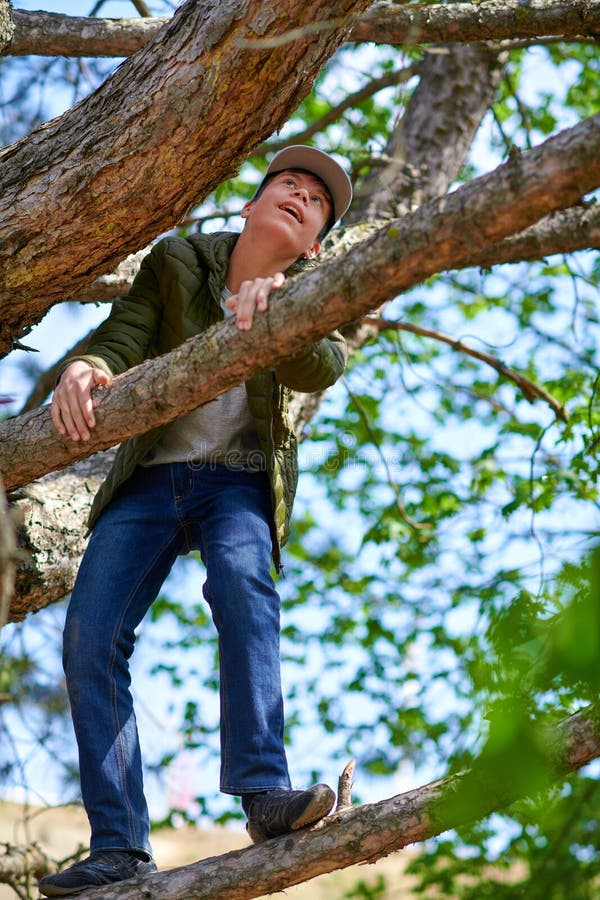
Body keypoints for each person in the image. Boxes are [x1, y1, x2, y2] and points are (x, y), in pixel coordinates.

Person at [39, 145, 353, 897]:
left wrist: (284, 320)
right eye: (289, 183)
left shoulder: (320, 289)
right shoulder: (177, 260)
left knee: (246, 586)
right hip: (149, 482)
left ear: (315, 242)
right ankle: (118, 846)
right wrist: (86, 366)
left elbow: (325, 366)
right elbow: (123, 336)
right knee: (89, 635)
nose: (302, 195)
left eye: (317, 200)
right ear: (250, 206)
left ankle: (264, 796)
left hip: (237, 486)